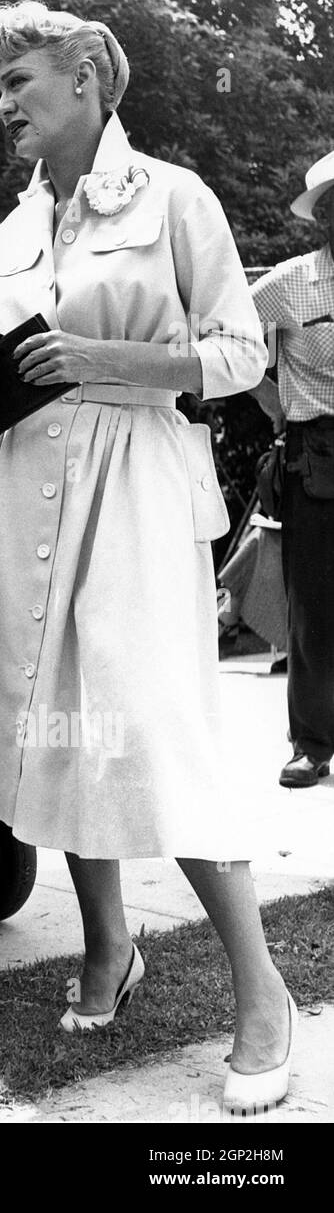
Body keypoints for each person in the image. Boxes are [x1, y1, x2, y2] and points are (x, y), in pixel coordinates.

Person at [0, 2, 295, 1115]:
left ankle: (257, 992)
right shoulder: (8, 233)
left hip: (131, 495)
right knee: (59, 726)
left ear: (84, 76)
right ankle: (108, 946)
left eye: (14, 78)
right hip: (22, 486)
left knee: (152, 731)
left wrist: (97, 356)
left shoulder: (174, 197)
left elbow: (234, 355)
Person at [249, 151, 334, 788]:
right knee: (315, 608)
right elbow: (226, 340)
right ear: (324, 215)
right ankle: (312, 742)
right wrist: (274, 404)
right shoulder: (287, 283)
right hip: (317, 457)